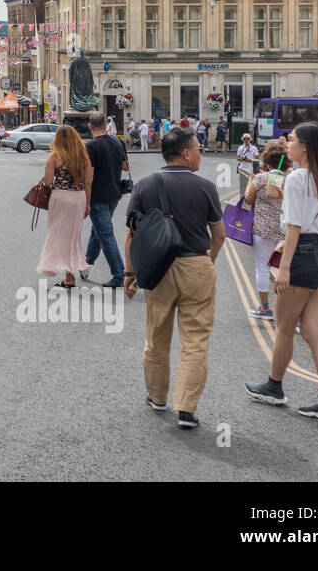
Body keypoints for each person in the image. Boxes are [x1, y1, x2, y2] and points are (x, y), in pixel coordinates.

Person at [123, 126, 225, 429]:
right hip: (196, 265)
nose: (200, 154)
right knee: (195, 341)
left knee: (156, 337)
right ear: (185, 153)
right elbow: (218, 234)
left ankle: (157, 397)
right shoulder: (206, 186)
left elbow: (132, 234)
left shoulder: (144, 185)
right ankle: (186, 409)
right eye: (198, 149)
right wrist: (208, 262)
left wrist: (130, 273)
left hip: (158, 269)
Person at [246, 123, 318, 422]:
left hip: (300, 255)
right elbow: (312, 216)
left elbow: (293, 226)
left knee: (285, 328)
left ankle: (274, 387)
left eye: (291, 141)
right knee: (315, 333)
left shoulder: (297, 178)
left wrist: (285, 268)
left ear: (305, 147)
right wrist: (281, 201)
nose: (287, 145)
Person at [36, 125, 92, 287]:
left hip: (60, 197)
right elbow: (88, 183)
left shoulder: (55, 157)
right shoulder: (84, 157)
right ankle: (70, 274)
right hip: (79, 197)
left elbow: (47, 182)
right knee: (74, 236)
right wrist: (87, 204)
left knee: (57, 234)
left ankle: (64, 271)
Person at [83, 112, 128, 288]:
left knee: (106, 235)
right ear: (105, 125)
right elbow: (125, 167)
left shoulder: (92, 146)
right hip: (115, 194)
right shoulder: (117, 142)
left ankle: (119, 274)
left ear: (89, 126)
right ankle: (86, 263)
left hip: (98, 196)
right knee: (98, 231)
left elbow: (89, 177)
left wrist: (86, 202)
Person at [244, 143, 287, 321]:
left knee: (262, 268)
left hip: (262, 229)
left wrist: (251, 179)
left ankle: (265, 308)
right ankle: (288, 315)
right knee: (286, 270)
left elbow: (248, 199)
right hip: (285, 230)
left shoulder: (261, 179)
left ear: (267, 162)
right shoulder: (291, 179)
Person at [236, 134, 259, 199]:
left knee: (251, 185)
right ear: (242, 139)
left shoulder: (254, 148)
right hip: (242, 168)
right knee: (243, 185)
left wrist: (250, 160)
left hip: (251, 169)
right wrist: (242, 159)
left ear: (250, 139)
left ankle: (250, 198)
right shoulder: (240, 148)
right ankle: (242, 199)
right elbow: (238, 157)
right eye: (245, 139)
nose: (246, 140)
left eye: (248, 139)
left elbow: (257, 159)